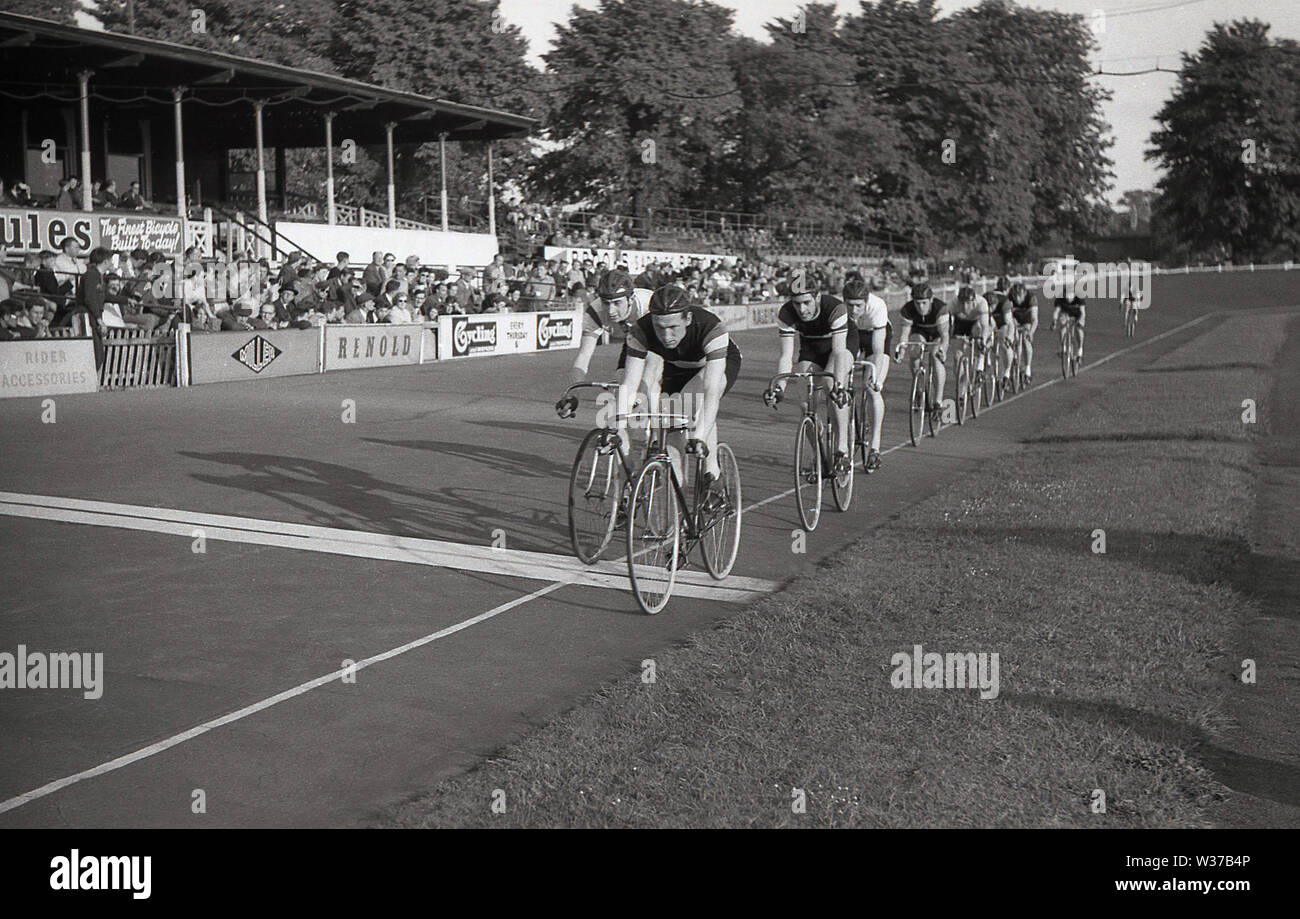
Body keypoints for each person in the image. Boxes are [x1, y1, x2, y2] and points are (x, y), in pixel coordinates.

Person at [615, 285, 742, 513]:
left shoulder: (711, 327)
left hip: (712, 366)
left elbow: (711, 392)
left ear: (688, 318)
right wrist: (616, 427)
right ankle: (681, 517)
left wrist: (699, 436)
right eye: (659, 328)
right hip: (675, 367)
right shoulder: (640, 330)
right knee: (671, 435)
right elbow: (630, 384)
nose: (666, 336)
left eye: (673, 327)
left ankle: (713, 476)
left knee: (691, 403)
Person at [763, 272, 855, 478]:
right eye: (796, 304)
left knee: (832, 387)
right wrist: (780, 387)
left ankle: (842, 451)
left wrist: (839, 384)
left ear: (817, 297)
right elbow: (786, 355)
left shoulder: (835, 307)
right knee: (805, 404)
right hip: (811, 347)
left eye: (806, 302)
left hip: (839, 345)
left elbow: (839, 352)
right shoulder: (786, 313)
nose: (801, 309)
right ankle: (819, 456)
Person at [557, 269, 654, 412]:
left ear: (631, 299)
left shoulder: (648, 305)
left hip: (661, 342)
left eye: (617, 303)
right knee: (621, 381)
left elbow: (653, 361)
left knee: (649, 387)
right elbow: (583, 357)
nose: (610, 311)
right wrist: (573, 395)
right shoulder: (595, 312)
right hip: (633, 340)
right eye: (606, 303)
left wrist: (640, 392)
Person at [841, 275, 892, 473]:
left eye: (858, 305)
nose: (854, 310)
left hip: (875, 336)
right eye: (850, 305)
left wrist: (874, 374)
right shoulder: (840, 311)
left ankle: (875, 447)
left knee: (872, 388)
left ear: (866, 302)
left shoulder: (877, 307)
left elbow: (878, 350)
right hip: (851, 335)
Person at [895, 282, 950, 411]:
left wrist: (943, 349)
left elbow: (945, 336)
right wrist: (901, 352)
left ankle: (938, 401)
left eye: (924, 303)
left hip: (937, 333)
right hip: (919, 332)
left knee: (935, 357)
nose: (920, 307)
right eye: (917, 303)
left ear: (931, 300)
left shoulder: (940, 308)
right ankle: (919, 389)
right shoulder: (907, 309)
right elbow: (904, 335)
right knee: (914, 350)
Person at [1006, 281, 1038, 384]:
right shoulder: (1010, 297)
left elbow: (1034, 319)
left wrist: (1031, 333)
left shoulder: (1031, 298)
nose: (1018, 299)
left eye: (1020, 296)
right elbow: (1007, 315)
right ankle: (1015, 364)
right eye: (1015, 296)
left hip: (1027, 319)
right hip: (1015, 318)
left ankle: (1028, 369)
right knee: (1013, 338)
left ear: (1024, 293)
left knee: (1025, 340)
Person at [1050, 287, 1086, 364]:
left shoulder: (1079, 297)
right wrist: (1054, 321)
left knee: (1079, 329)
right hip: (1066, 313)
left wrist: (1079, 321)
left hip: (1077, 314)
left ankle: (1080, 351)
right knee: (1062, 326)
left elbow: (1083, 313)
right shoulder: (1060, 298)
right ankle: (1064, 347)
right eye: (1066, 296)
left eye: (1070, 296)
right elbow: (1056, 311)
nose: (1068, 299)